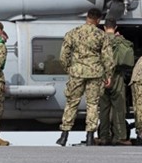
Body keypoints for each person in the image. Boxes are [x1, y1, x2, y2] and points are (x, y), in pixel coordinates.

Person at [57, 8, 114, 146]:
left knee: (72, 103)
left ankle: (64, 136)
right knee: (92, 104)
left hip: (77, 72)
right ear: (98, 20)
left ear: (87, 17)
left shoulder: (73, 33)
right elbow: (108, 58)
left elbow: (63, 56)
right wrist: (108, 75)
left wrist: (69, 69)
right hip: (95, 73)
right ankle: (89, 137)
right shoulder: (101, 35)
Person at [97, 18, 135, 145]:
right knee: (118, 107)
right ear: (116, 27)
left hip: (102, 76)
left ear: (104, 28)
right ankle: (120, 136)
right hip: (117, 75)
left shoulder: (99, 39)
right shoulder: (121, 41)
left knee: (104, 108)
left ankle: (103, 136)